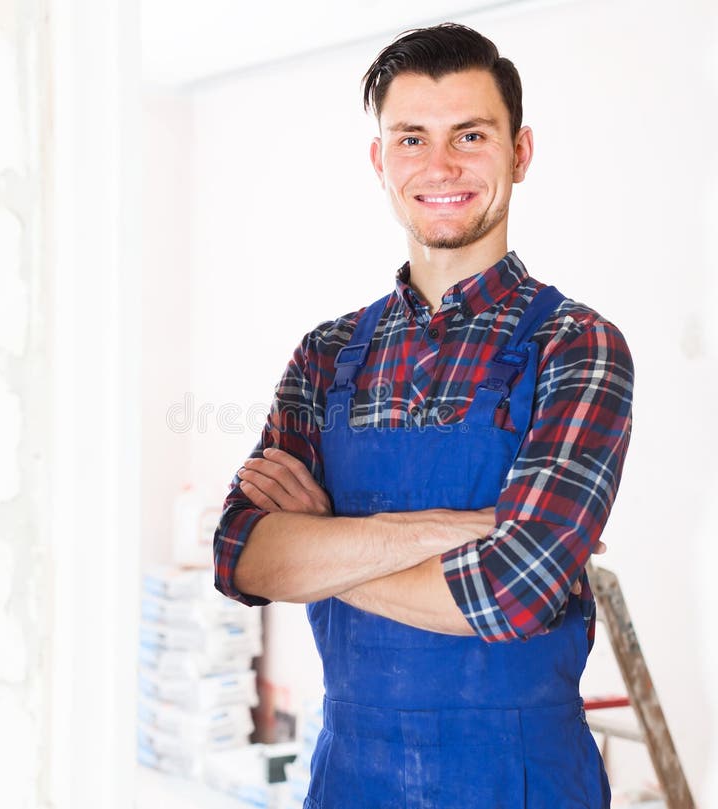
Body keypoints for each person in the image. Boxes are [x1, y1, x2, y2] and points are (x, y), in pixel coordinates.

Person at [213, 22, 633, 809]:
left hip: (522, 780)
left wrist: (323, 548)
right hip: (348, 779)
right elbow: (241, 559)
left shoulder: (578, 347)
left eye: (470, 135)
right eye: (411, 137)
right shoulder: (327, 352)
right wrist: (458, 526)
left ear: (520, 152)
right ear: (380, 160)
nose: (439, 166)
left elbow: (513, 591)